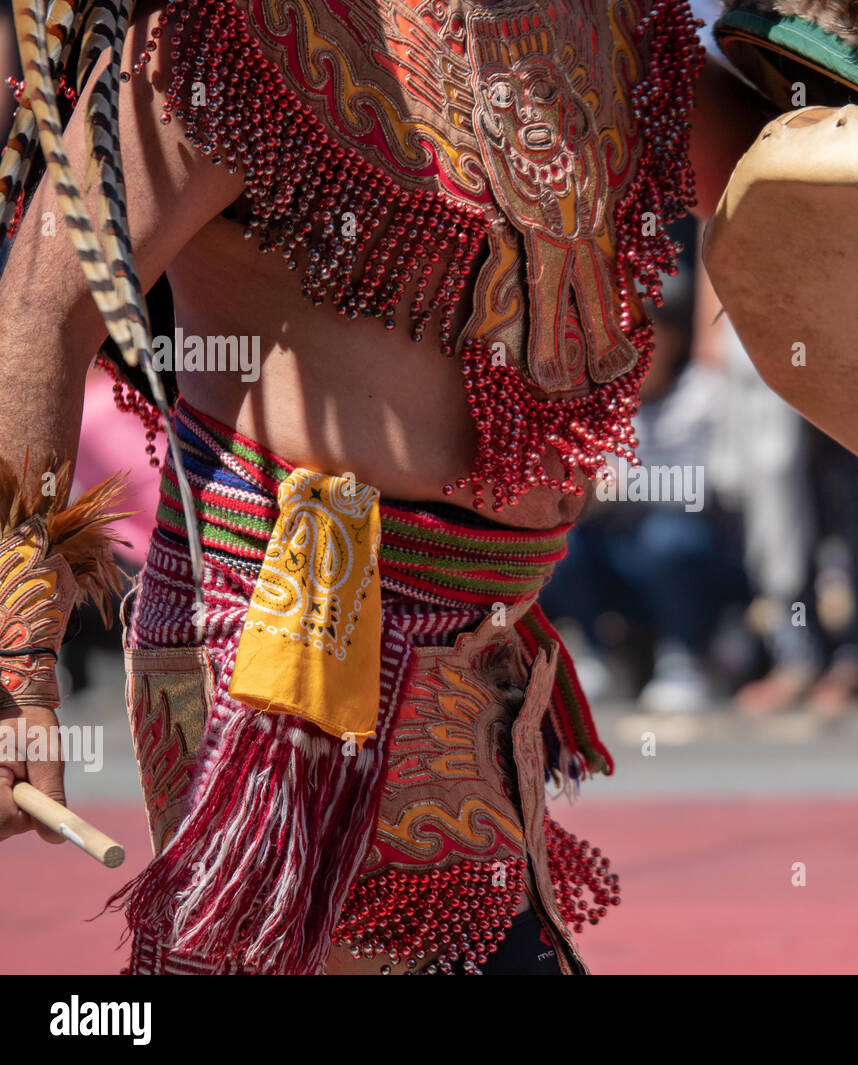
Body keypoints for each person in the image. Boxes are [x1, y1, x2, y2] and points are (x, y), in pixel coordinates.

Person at [0, 0, 766, 975]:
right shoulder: (233, 27)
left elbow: (793, 179)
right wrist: (15, 674)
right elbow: (41, 309)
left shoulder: (608, 30)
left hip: (488, 656)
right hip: (284, 645)